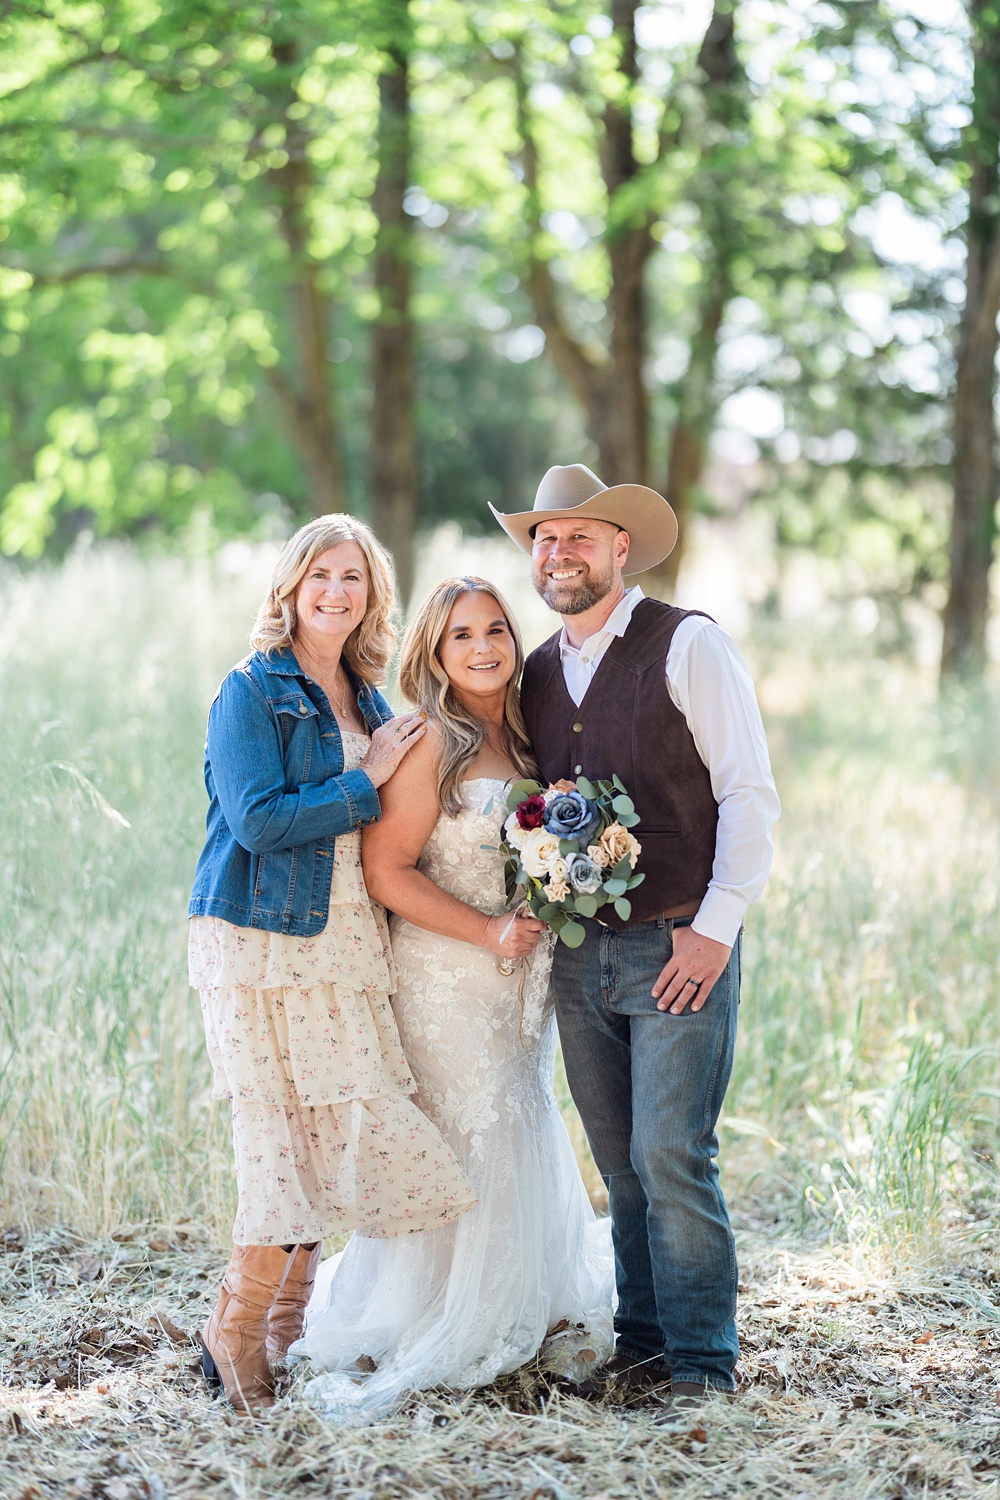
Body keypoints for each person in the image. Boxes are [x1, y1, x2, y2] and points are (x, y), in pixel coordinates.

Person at [490, 464, 780, 1417]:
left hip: (676, 943)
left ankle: (702, 1367)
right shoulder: (533, 670)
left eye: (579, 536)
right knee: (618, 1160)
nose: (559, 553)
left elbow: (748, 793)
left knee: (671, 1152)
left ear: (621, 549)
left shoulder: (686, 643)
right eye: (544, 537)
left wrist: (716, 929)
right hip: (580, 956)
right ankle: (644, 1350)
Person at [293, 576, 615, 1421]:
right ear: (434, 652)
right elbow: (385, 870)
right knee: (473, 1132)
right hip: (445, 974)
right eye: (461, 635)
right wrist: (486, 933)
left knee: (520, 1119)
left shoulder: (533, 740)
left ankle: (525, 1300)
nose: (482, 647)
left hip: (521, 979)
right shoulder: (430, 741)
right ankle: (447, 1312)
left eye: (496, 630)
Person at [188, 516, 476, 1414]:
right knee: (279, 1141)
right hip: (261, 939)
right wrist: (363, 782)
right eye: (320, 575)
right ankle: (235, 1336)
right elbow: (259, 820)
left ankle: (286, 1330)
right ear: (290, 587)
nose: (336, 592)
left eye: (353, 578)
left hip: (347, 941)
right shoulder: (250, 689)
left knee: (337, 1138)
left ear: (371, 598)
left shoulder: (373, 702)